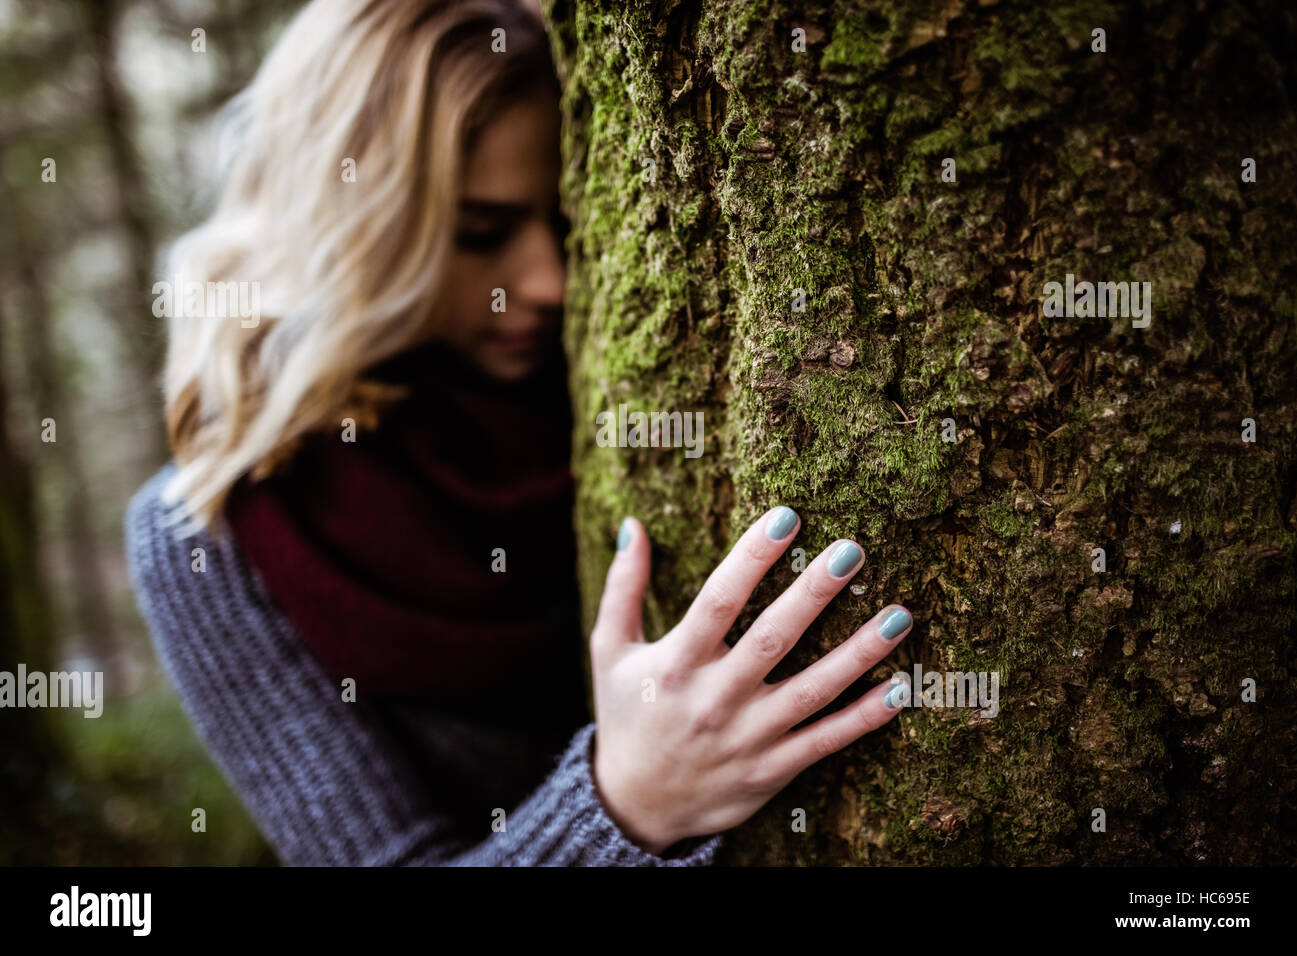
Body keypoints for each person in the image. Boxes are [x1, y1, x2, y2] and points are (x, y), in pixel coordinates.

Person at [125, 0, 916, 866]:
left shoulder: (620, 374)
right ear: (344, 229)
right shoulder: (208, 533)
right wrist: (626, 804)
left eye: (568, 222)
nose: (548, 282)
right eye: (480, 233)